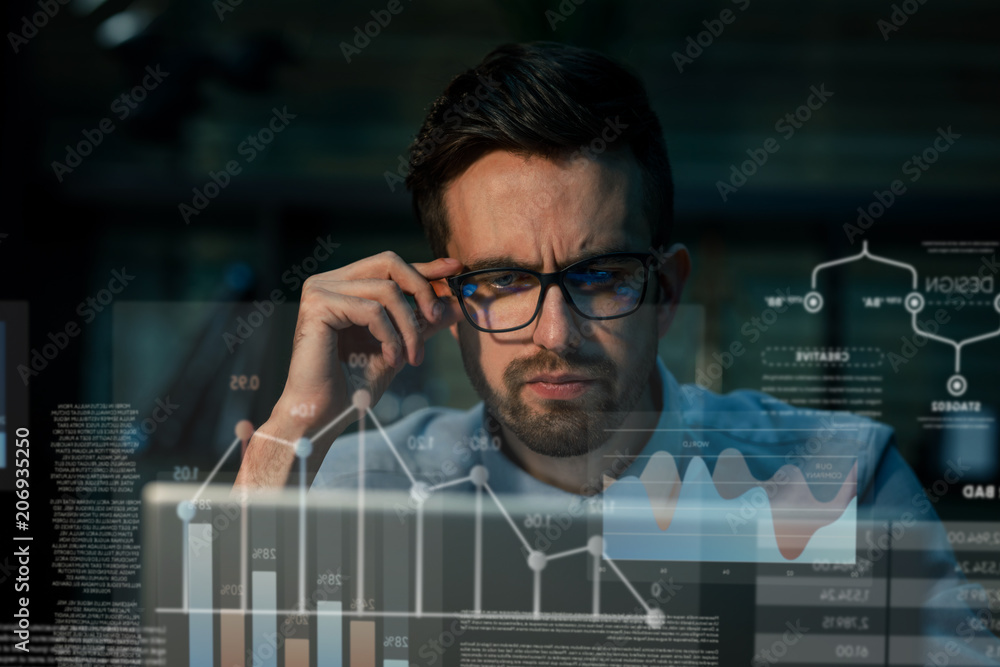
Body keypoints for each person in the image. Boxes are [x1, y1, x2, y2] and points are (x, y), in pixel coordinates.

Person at [234, 42, 997, 662]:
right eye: (502, 280)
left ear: (666, 291)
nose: (556, 334)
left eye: (599, 276)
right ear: (446, 304)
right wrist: (295, 424)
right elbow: (223, 644)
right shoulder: (350, 489)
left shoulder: (845, 479)